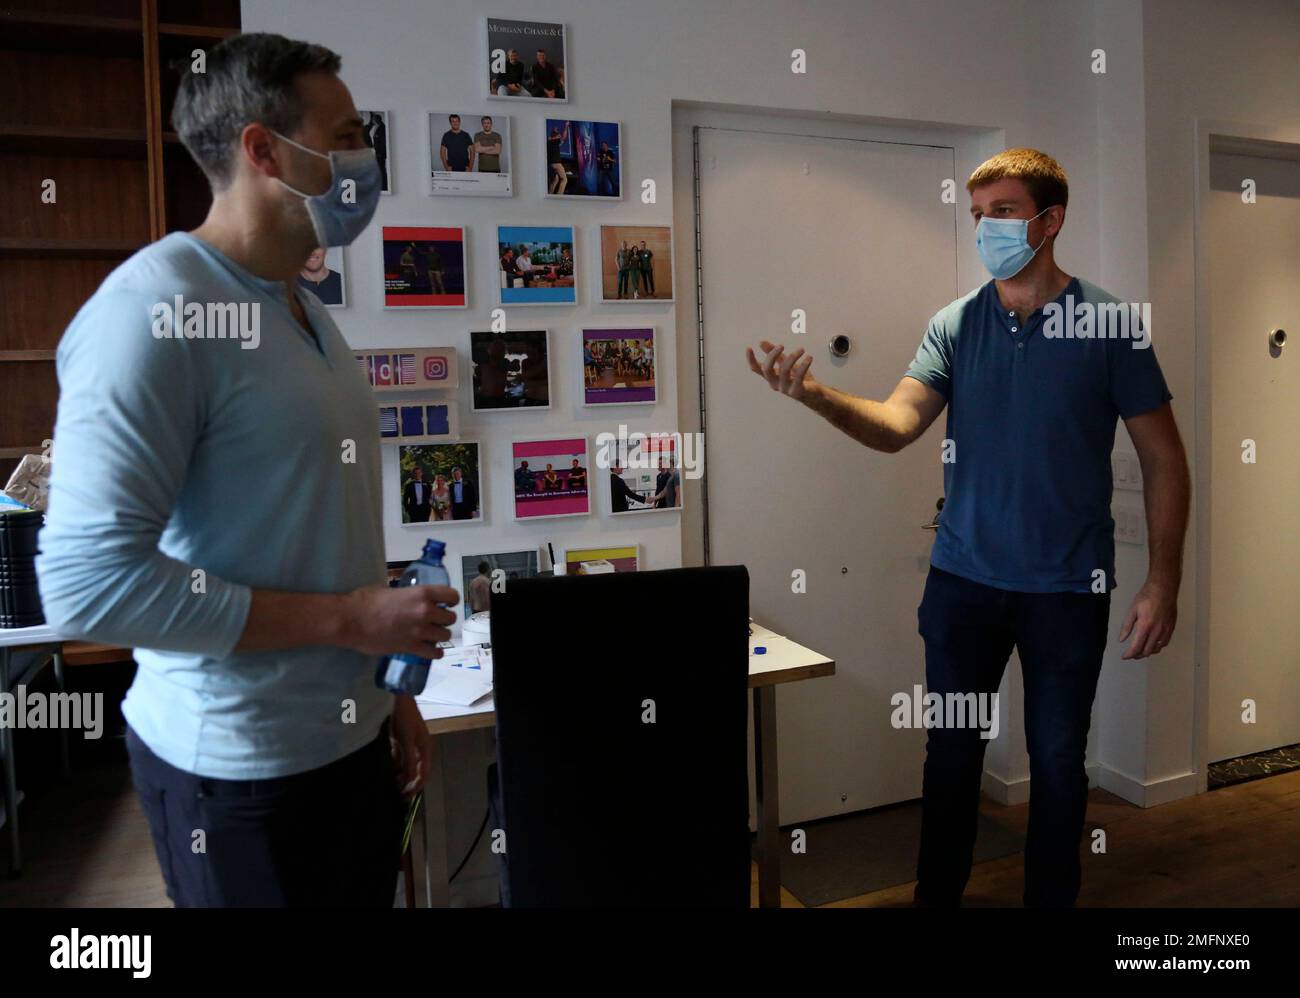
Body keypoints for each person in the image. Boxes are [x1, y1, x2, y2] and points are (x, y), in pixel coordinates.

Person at [36, 32, 456, 908]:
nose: (364, 159)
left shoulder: (298, 305)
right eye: (344, 135)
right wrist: (351, 620)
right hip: (241, 780)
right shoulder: (152, 312)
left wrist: (387, 692)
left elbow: (302, 524)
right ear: (264, 149)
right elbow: (85, 586)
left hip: (346, 743)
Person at [746, 147, 1189, 909]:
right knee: (951, 756)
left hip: (1066, 590)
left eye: (1004, 213)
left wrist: (1163, 580)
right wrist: (818, 396)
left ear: (1050, 221)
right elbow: (896, 425)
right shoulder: (955, 324)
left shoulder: (1111, 324)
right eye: (977, 214)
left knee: (1056, 764)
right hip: (963, 589)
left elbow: (1164, 459)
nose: (986, 229)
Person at [547, 122, 568, 194]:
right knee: (564, 179)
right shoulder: (555, 141)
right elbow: (564, 137)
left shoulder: (548, 142)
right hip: (557, 163)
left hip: (550, 164)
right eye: (559, 134)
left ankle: (550, 194)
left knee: (555, 180)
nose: (560, 135)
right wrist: (566, 126)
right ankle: (559, 195)